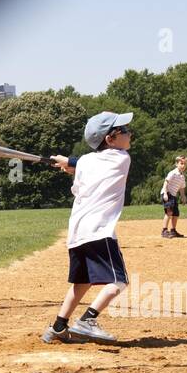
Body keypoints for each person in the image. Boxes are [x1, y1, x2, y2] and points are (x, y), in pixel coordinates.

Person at [41, 111, 133, 345]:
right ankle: (88, 320)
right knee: (119, 281)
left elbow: (81, 170)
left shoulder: (85, 162)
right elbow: (82, 164)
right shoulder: (122, 158)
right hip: (99, 230)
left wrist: (71, 164)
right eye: (123, 130)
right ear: (110, 139)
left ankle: (58, 327)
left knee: (81, 283)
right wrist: (70, 163)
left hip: (77, 233)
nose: (129, 133)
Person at [160, 155, 187, 239]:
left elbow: (182, 188)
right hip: (167, 193)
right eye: (181, 163)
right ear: (177, 164)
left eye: (184, 164)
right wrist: (165, 193)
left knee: (176, 213)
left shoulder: (182, 176)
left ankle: (173, 231)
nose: (183, 165)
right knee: (169, 212)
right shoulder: (173, 173)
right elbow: (166, 183)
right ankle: (164, 231)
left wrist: (183, 196)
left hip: (173, 195)